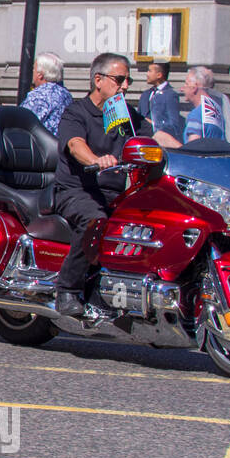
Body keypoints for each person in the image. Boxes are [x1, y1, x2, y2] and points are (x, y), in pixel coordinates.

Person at [53, 52, 181, 316]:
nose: (125, 86)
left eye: (128, 81)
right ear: (98, 80)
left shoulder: (123, 115)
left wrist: (189, 151)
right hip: (77, 191)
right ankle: (67, 289)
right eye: (119, 79)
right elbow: (76, 145)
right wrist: (96, 160)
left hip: (116, 193)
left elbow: (154, 135)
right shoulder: (76, 113)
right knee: (95, 220)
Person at [19, 51, 74, 135]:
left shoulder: (38, 96)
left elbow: (20, 125)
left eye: (34, 69)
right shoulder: (66, 94)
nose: (32, 72)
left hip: (40, 146)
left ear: (40, 75)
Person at [138, 60, 182, 142]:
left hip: (160, 141)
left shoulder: (170, 95)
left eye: (150, 71)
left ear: (159, 75)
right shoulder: (146, 94)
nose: (147, 74)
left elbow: (173, 124)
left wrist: (153, 124)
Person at [181, 66, 225, 142]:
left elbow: (193, 147)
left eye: (186, 83)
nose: (182, 89)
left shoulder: (196, 114)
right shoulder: (216, 111)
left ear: (194, 87)